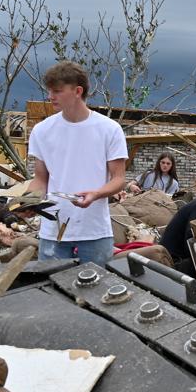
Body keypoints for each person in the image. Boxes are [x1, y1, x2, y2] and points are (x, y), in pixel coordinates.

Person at [27, 61, 129, 266]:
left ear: (77, 91)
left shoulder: (109, 129)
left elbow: (118, 179)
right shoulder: (42, 130)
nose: (50, 96)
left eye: (57, 91)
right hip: (53, 231)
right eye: (49, 90)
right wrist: (29, 201)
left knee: (97, 291)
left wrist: (96, 194)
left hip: (94, 230)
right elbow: (40, 179)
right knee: (51, 292)